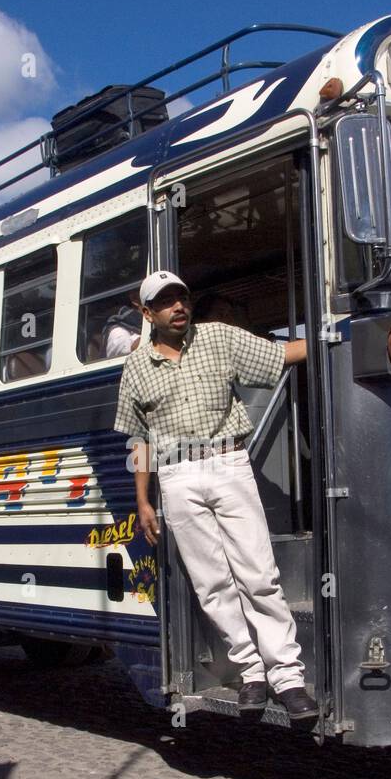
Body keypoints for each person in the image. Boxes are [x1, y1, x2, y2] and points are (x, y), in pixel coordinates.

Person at [113, 270, 318, 720]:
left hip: (228, 462)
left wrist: (331, 335)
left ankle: (288, 677)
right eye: (166, 302)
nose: (178, 307)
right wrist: (143, 502)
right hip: (176, 474)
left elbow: (279, 354)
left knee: (258, 573)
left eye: (182, 298)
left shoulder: (219, 337)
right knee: (212, 584)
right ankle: (251, 672)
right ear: (148, 314)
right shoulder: (135, 368)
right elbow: (139, 440)